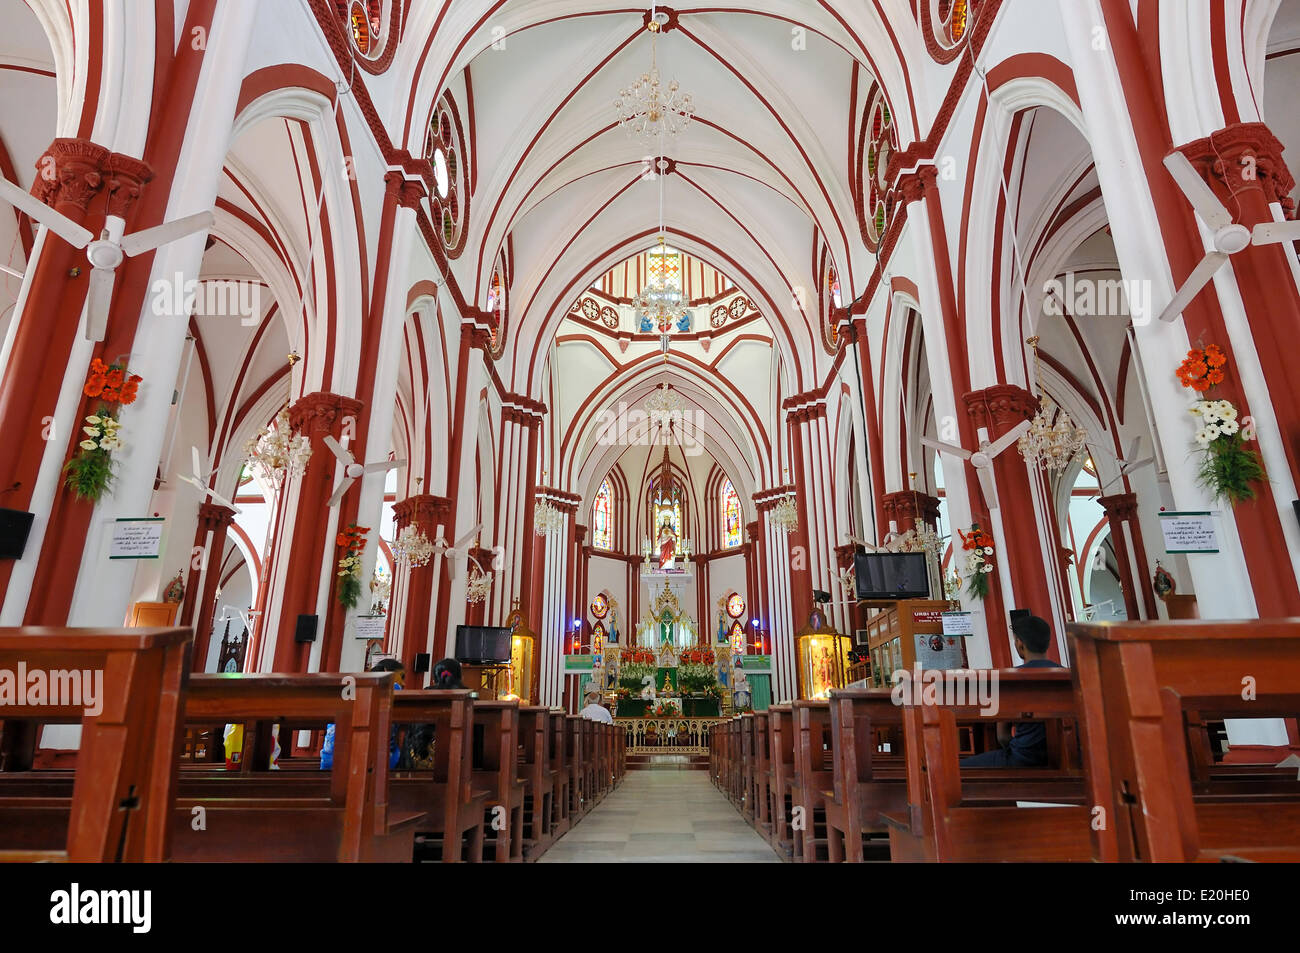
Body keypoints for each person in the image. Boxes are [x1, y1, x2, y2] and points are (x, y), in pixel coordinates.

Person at [960, 614, 1062, 768]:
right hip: (1064, 758)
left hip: (1023, 759)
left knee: (959, 769)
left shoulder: (1011, 679)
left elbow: (1002, 736)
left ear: (1020, 644)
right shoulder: (1068, 675)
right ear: (1048, 642)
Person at [321, 656, 405, 771]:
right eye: (402, 676)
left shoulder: (350, 687)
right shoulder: (393, 688)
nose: (404, 682)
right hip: (375, 763)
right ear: (387, 671)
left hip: (331, 760)